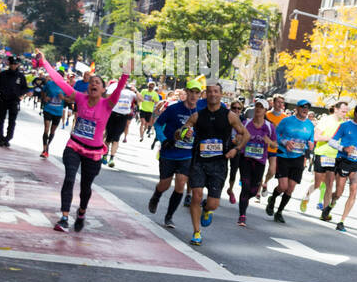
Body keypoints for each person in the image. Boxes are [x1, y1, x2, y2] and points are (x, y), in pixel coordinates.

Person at [32, 54, 127, 232]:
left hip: (94, 152)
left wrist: (126, 74)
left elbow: (120, 88)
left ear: (103, 89)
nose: (94, 83)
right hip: (74, 146)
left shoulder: (108, 104)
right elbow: (60, 81)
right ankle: (64, 217)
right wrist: (45, 63)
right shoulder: (80, 98)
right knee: (69, 179)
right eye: (92, 81)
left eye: (98, 82)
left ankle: (81, 212)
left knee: (85, 187)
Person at [180, 83, 250, 246]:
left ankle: (207, 208)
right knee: (196, 195)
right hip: (199, 161)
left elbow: (245, 134)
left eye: (216, 92)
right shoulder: (197, 116)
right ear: (206, 94)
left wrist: (236, 149)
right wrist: (184, 132)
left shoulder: (230, 116)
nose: (213, 94)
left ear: (220, 94)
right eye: (210, 92)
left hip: (219, 164)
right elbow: (181, 132)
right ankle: (196, 232)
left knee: (213, 204)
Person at [148, 86, 200, 227]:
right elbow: (158, 124)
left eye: (197, 93)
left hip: (186, 155)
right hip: (169, 152)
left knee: (181, 184)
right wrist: (163, 140)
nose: (194, 96)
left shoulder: (200, 112)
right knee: (164, 184)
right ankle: (156, 196)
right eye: (191, 92)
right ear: (186, 93)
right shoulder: (173, 108)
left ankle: (169, 216)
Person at [265, 101, 316, 222]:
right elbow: (276, 135)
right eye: (303, 107)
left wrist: (311, 144)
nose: (305, 109)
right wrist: (285, 142)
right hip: (283, 155)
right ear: (297, 108)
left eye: (307, 107)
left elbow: (312, 141)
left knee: (290, 188)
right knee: (283, 186)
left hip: (298, 157)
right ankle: (272, 199)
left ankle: (279, 212)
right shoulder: (287, 121)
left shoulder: (310, 125)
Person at [328, 103, 357, 232]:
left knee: (354, 190)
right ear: (356, 114)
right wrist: (343, 148)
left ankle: (342, 221)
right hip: (344, 160)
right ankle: (331, 204)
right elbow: (332, 141)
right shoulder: (345, 126)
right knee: (339, 192)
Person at [235, 100, 277, 225]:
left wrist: (269, 141)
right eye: (257, 106)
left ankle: (244, 200)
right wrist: (238, 139)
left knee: (253, 191)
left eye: (261, 107)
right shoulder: (246, 123)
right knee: (246, 186)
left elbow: (275, 145)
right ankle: (242, 215)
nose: (258, 109)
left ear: (265, 110)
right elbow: (238, 136)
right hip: (246, 159)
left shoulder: (269, 127)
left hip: (260, 161)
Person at [302, 100, 348, 214]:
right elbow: (316, 136)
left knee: (329, 184)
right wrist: (330, 139)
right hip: (322, 153)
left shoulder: (344, 124)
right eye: (343, 111)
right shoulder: (326, 120)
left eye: (346, 112)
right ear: (336, 109)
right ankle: (306, 196)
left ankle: (325, 212)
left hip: (335, 157)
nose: (345, 114)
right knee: (318, 183)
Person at [0, 56, 29, 147]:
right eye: (12, 64)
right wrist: (1, 91)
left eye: (15, 64)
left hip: (14, 101)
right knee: (0, 119)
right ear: (9, 64)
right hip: (3, 99)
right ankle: (0, 138)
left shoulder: (20, 76)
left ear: (18, 65)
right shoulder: (3, 74)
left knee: (12, 120)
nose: (13, 66)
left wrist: (19, 95)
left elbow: (25, 88)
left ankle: (8, 138)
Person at [103, 77, 138, 166]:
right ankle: (104, 155)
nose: (124, 82)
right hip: (112, 114)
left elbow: (141, 99)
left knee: (116, 138)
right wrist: (116, 91)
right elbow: (107, 96)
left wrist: (136, 91)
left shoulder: (130, 92)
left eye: (126, 81)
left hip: (123, 116)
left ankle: (111, 158)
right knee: (108, 137)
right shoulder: (114, 87)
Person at [259, 95, 289, 195]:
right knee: (260, 169)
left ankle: (265, 183)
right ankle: (258, 188)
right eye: (278, 102)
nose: (280, 104)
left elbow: (286, 133)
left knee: (272, 170)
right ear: (273, 103)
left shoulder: (285, 118)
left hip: (275, 147)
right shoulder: (266, 114)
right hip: (263, 145)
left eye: (282, 103)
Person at [39, 73, 68, 158]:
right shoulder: (49, 83)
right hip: (48, 109)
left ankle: (47, 147)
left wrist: (63, 98)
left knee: (52, 131)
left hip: (58, 112)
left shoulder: (65, 86)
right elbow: (43, 92)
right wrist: (45, 98)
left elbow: (70, 99)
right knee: (46, 129)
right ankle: (44, 149)